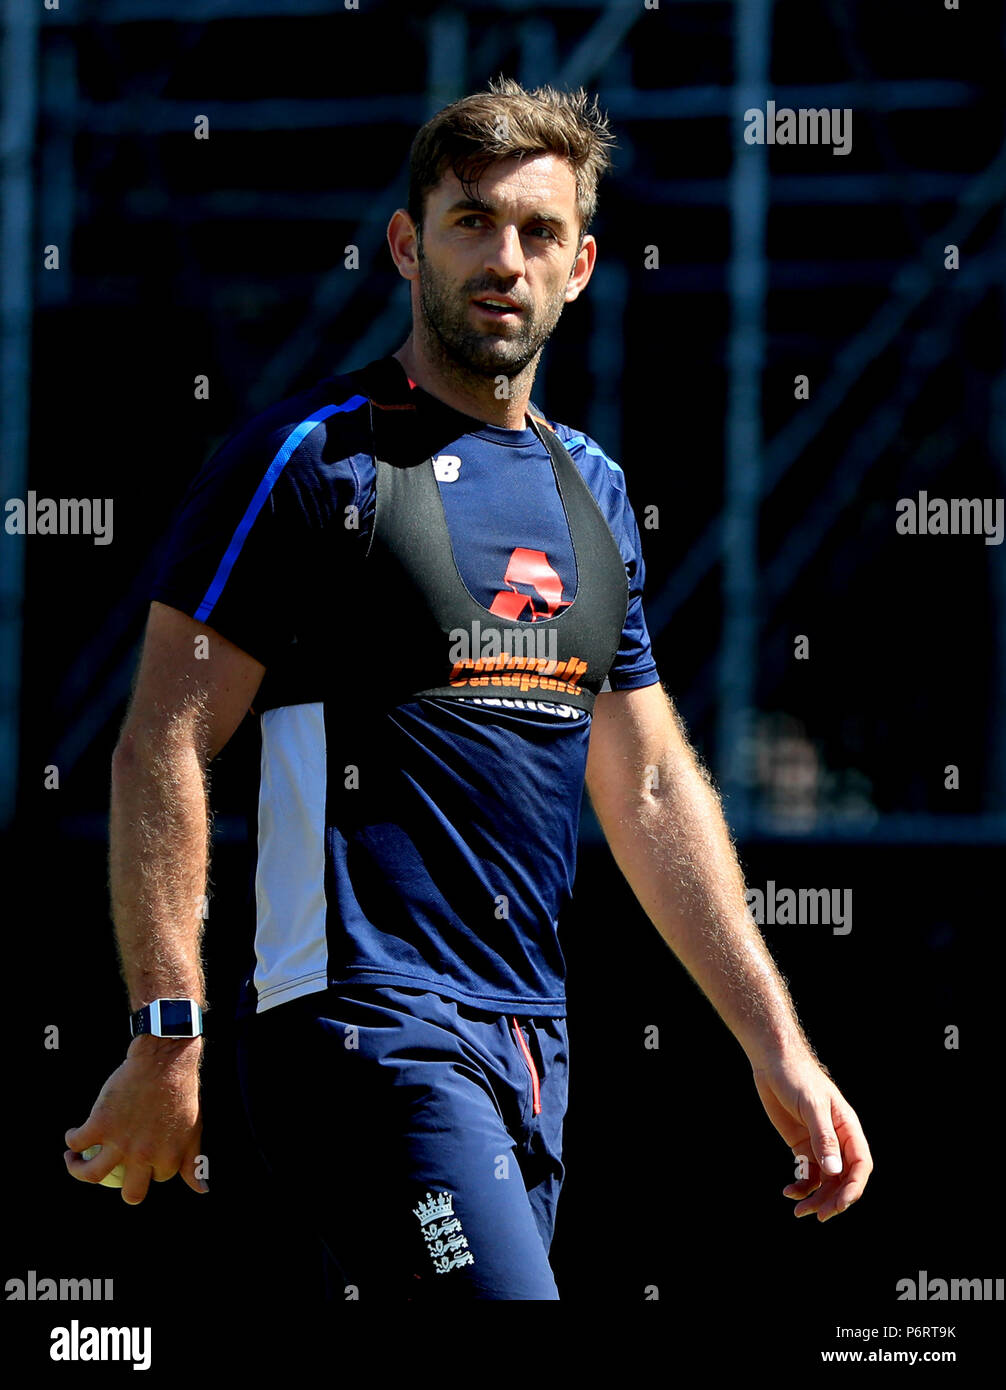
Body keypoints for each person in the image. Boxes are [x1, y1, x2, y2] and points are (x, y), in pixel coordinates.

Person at [64, 77, 872, 1301]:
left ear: (582, 266)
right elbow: (161, 743)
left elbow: (652, 785)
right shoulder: (307, 462)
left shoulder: (592, 489)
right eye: (471, 223)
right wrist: (166, 1032)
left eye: (540, 232)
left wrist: (779, 1046)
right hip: (361, 1027)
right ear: (407, 245)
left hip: (529, 1041)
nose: (505, 260)